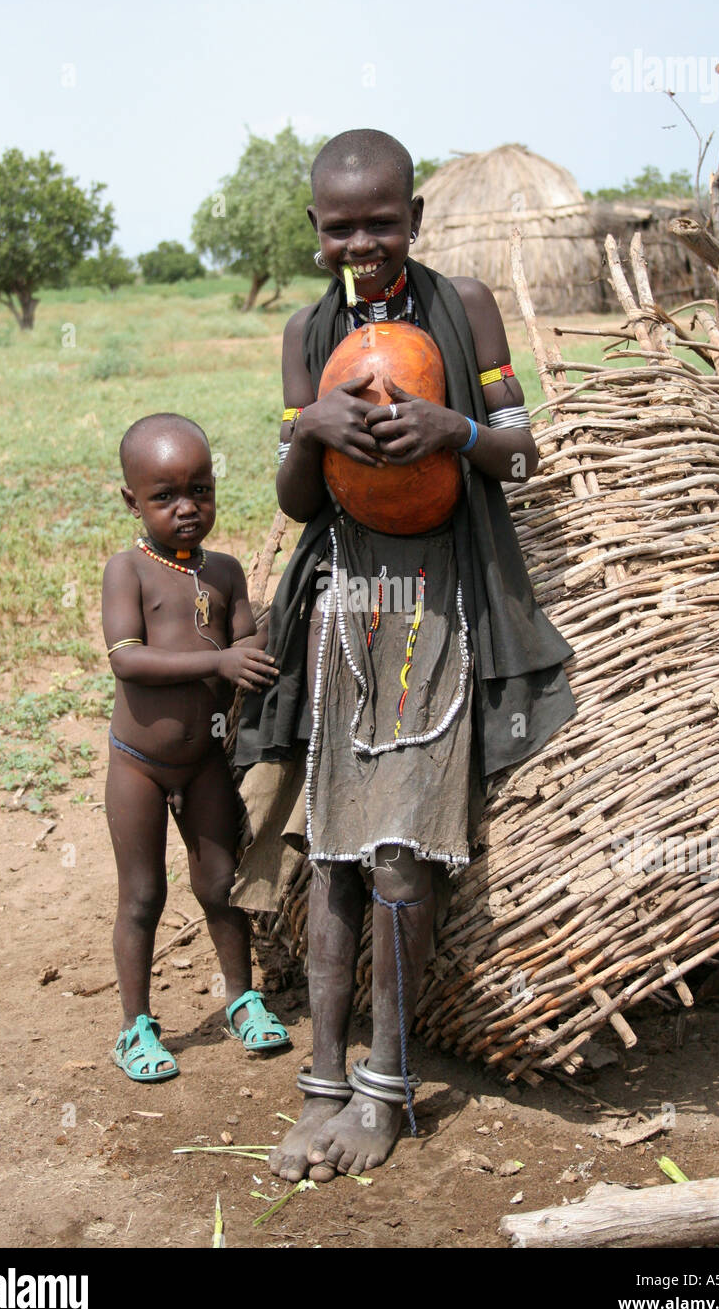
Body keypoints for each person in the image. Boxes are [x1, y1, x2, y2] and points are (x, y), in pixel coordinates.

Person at [232, 130, 577, 1178]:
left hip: (439, 607)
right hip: (346, 612)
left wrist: (452, 432)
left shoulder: (462, 306)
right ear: (314, 231)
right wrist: (311, 430)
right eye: (340, 228)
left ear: (414, 218)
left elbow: (522, 447)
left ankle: (385, 1088)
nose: (362, 243)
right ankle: (320, 1084)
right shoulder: (307, 333)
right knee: (336, 850)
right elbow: (296, 503)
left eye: (382, 222)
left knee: (397, 853)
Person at [102, 412, 288, 1081]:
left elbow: (248, 645)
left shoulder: (226, 571)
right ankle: (136, 1028)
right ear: (133, 501)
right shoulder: (129, 571)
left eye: (200, 491)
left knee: (220, 885)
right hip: (141, 766)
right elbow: (128, 660)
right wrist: (218, 664)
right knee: (143, 894)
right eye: (165, 497)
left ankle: (242, 998)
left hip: (206, 760)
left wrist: (270, 633)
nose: (188, 508)